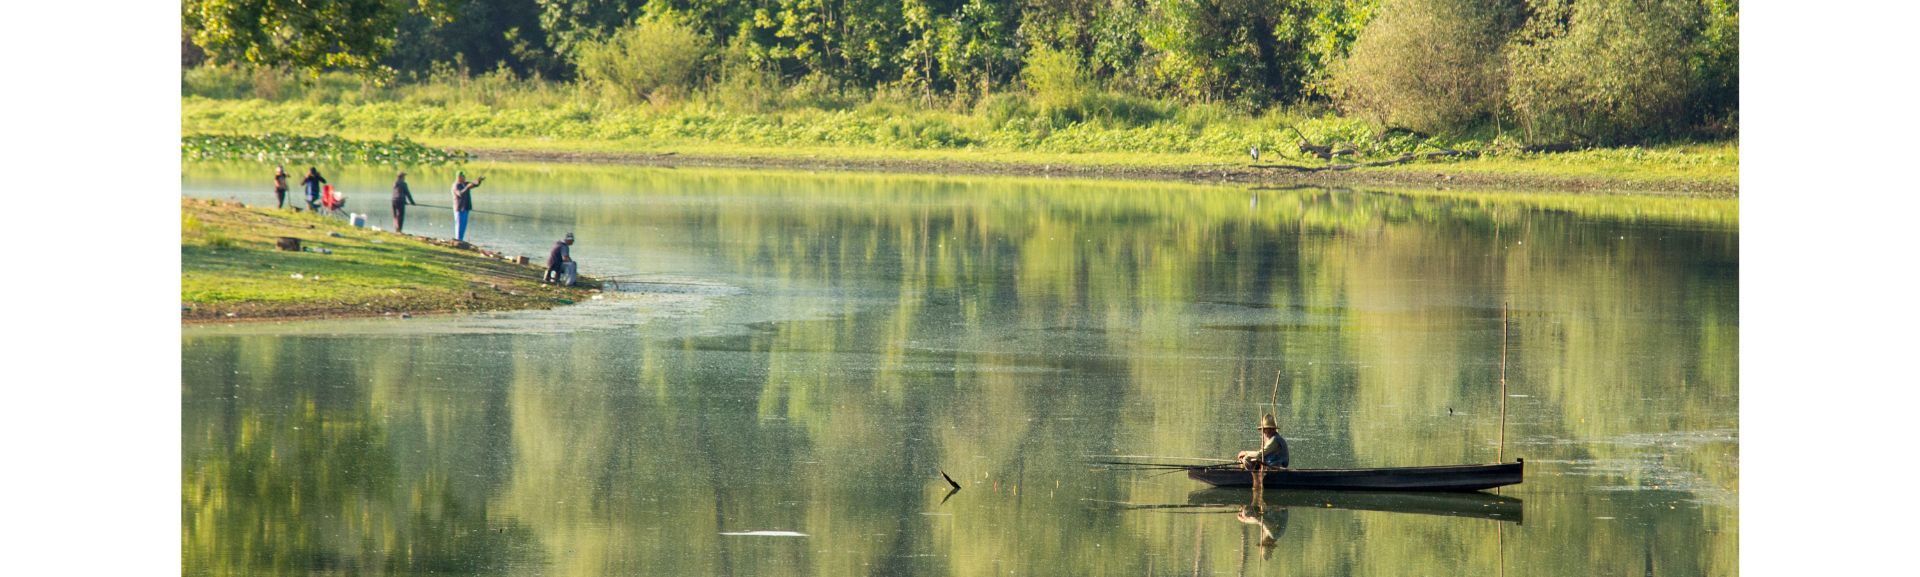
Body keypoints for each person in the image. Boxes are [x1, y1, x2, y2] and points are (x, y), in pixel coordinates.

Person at [451, 171, 484, 242]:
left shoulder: (465, 183)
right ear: (459, 177)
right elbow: (460, 194)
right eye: (463, 176)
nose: (464, 177)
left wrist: (478, 181)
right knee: (459, 225)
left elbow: (474, 184)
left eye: (464, 176)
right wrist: (467, 187)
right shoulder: (456, 185)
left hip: (466, 208)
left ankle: (461, 240)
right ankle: (458, 240)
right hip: (459, 209)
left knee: (463, 226)